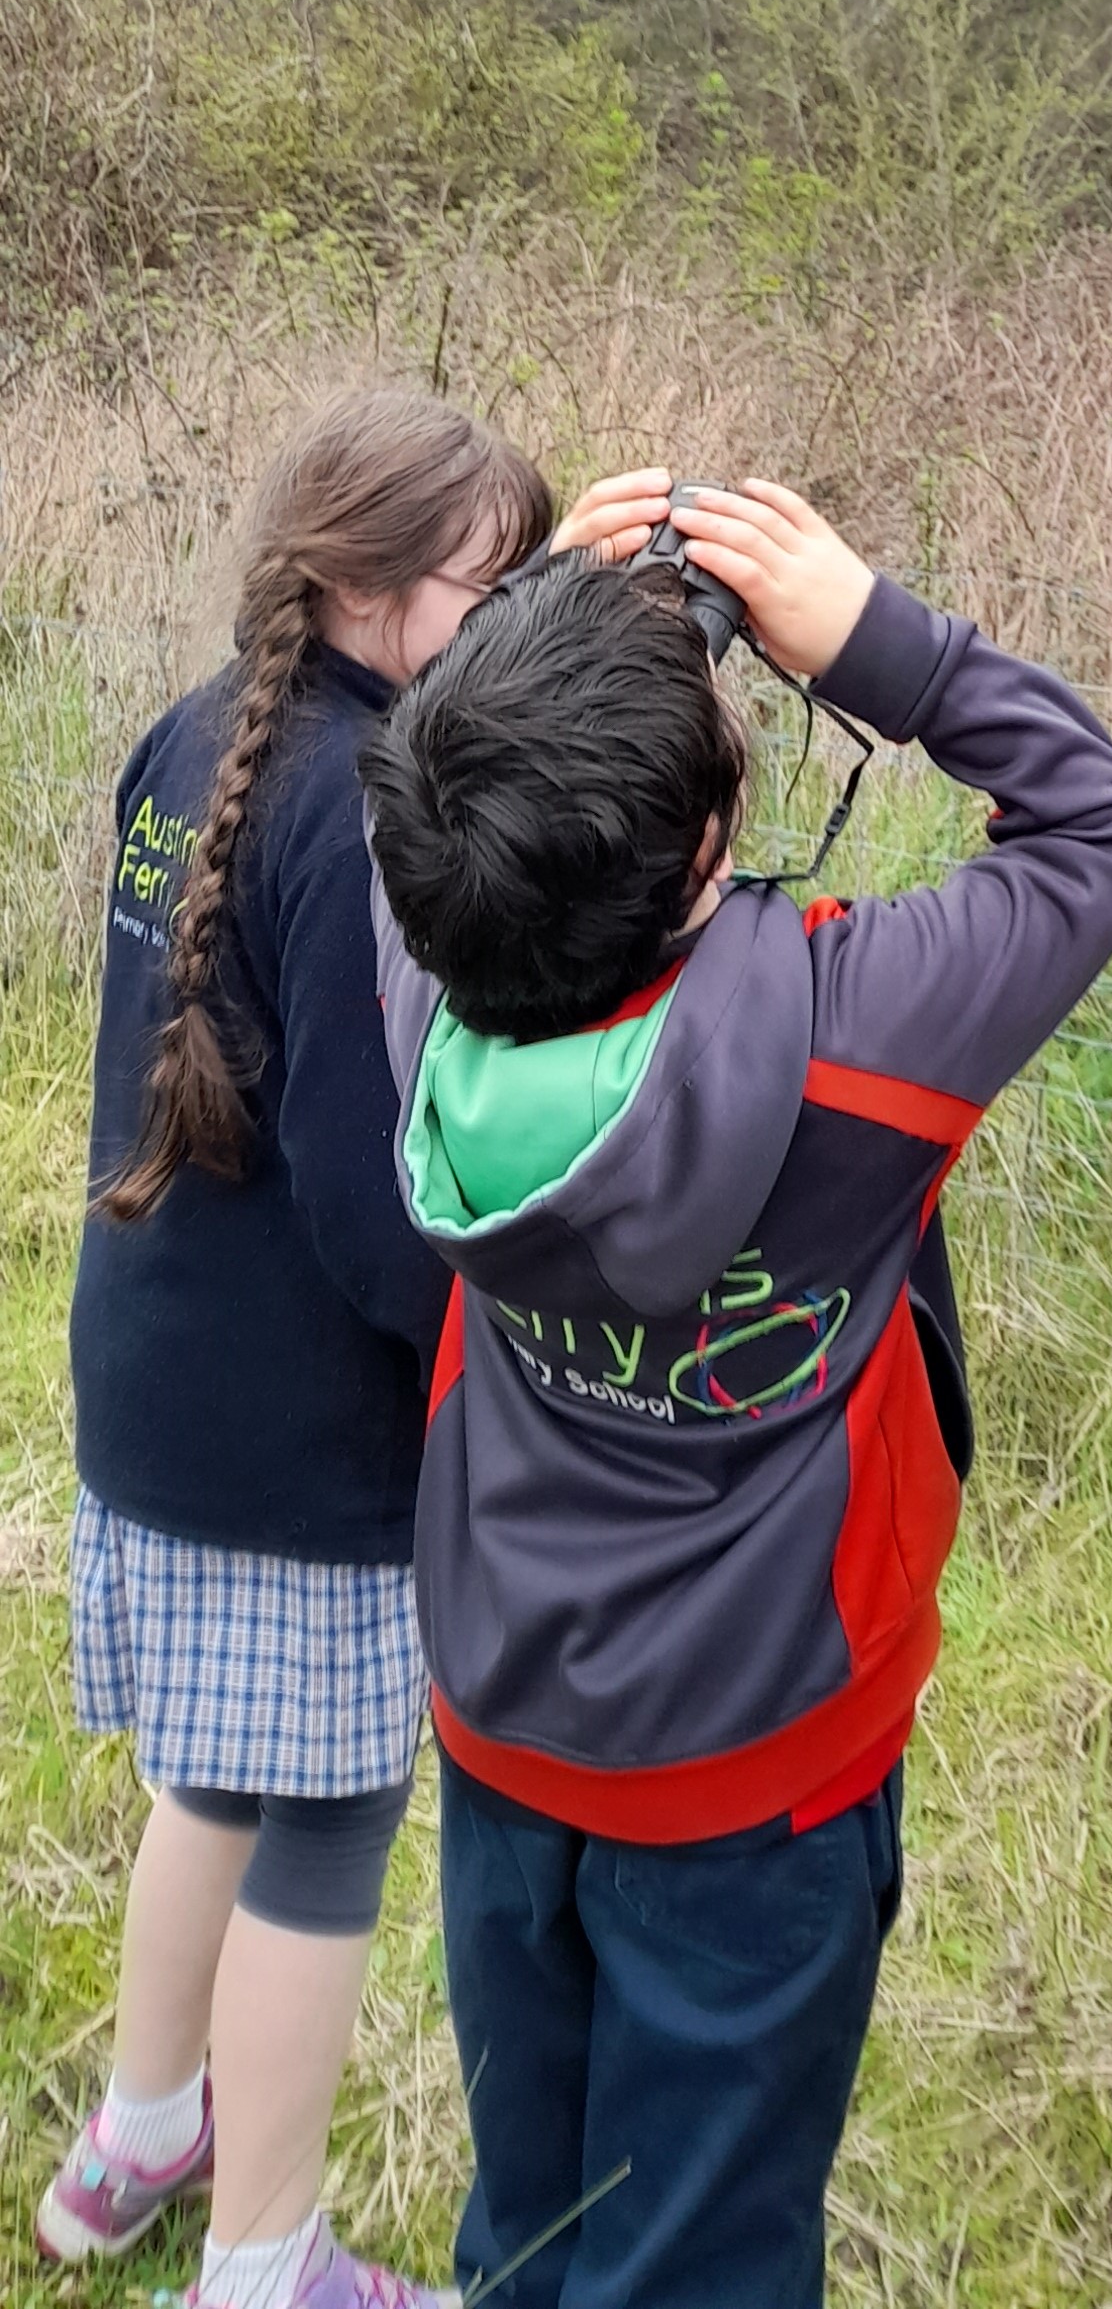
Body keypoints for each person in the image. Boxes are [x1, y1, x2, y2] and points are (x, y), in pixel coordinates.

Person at [354, 483, 1112, 2308]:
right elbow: (1111, 831)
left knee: (531, 2217)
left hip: (502, 1715)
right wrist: (875, 637)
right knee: (705, 2243)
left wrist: (535, 621)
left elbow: (412, 798)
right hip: (763, 1762)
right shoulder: (855, 1035)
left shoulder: (427, 985)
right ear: (717, 838)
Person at [42, 387, 670, 2309]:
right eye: (484, 582)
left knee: (208, 1782)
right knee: (327, 1823)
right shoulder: (366, 807)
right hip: (302, 1437)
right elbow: (359, 1175)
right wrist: (482, 1350)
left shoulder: (204, 734)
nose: (496, 620)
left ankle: (140, 2135)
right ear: (359, 581)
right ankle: (267, 2260)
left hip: (158, 1378)